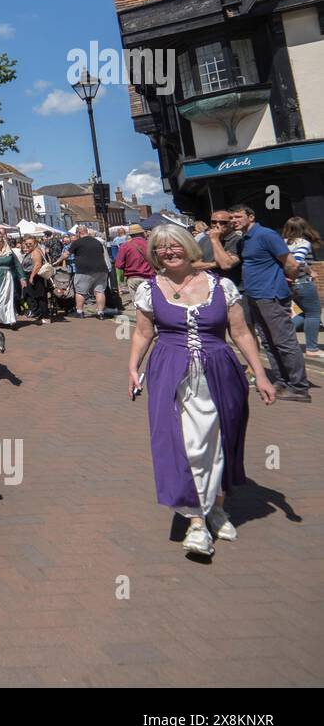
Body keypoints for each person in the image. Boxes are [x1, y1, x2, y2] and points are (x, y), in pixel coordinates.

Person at [127, 226, 273, 558]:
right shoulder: (149, 290)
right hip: (170, 373)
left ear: (189, 247)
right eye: (161, 248)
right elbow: (142, 333)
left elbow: (241, 333)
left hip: (221, 373)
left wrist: (261, 374)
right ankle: (195, 522)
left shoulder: (222, 286)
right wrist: (133, 367)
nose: (168, 252)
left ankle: (218, 506)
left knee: (221, 441)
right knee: (184, 445)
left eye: (175, 245)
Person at [230, 205, 310, 402]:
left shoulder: (266, 235)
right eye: (231, 218)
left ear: (251, 216)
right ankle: (282, 381)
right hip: (254, 296)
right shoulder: (244, 239)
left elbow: (290, 263)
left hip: (271, 295)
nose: (234, 221)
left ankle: (299, 387)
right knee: (267, 341)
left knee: (284, 341)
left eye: (238, 217)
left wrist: (291, 285)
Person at [283, 216, 322, 359]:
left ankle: (283, 336)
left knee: (306, 313)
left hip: (289, 283)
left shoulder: (283, 243)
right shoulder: (303, 242)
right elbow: (298, 261)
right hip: (302, 282)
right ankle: (312, 348)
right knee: (314, 314)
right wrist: (309, 271)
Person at [66, 225, 110, 318]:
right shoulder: (97, 242)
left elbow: (66, 254)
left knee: (80, 291)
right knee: (100, 291)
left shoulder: (77, 242)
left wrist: (57, 261)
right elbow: (102, 254)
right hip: (101, 269)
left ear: (78, 233)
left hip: (84, 270)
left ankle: (80, 312)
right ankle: (100, 313)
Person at [115, 224, 154, 309]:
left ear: (131, 235)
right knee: (152, 304)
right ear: (142, 233)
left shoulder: (125, 246)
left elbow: (119, 265)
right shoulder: (150, 245)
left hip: (133, 278)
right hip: (150, 278)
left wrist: (121, 280)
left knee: (138, 306)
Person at [20, 236, 51, 324]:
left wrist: (31, 277)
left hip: (35, 276)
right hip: (31, 276)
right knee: (35, 296)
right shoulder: (33, 251)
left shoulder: (36, 251)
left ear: (35, 243)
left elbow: (37, 265)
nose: (28, 245)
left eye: (30, 243)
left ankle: (45, 317)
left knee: (40, 297)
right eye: (26, 244)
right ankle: (41, 315)